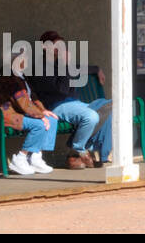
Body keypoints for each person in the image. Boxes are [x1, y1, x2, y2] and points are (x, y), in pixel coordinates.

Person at [30, 31, 110, 168]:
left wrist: (97, 69)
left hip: (76, 105)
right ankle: (78, 150)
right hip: (57, 106)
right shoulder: (39, 68)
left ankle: (89, 155)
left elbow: (79, 68)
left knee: (111, 106)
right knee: (91, 116)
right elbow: (61, 90)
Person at [0, 45, 59, 176]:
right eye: (25, 58)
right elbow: (22, 103)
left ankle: (36, 156)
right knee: (39, 125)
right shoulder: (9, 76)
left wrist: (43, 111)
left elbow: (33, 98)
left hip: (20, 113)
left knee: (52, 120)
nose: (27, 61)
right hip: (6, 114)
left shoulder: (21, 75)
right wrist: (40, 116)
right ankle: (20, 158)